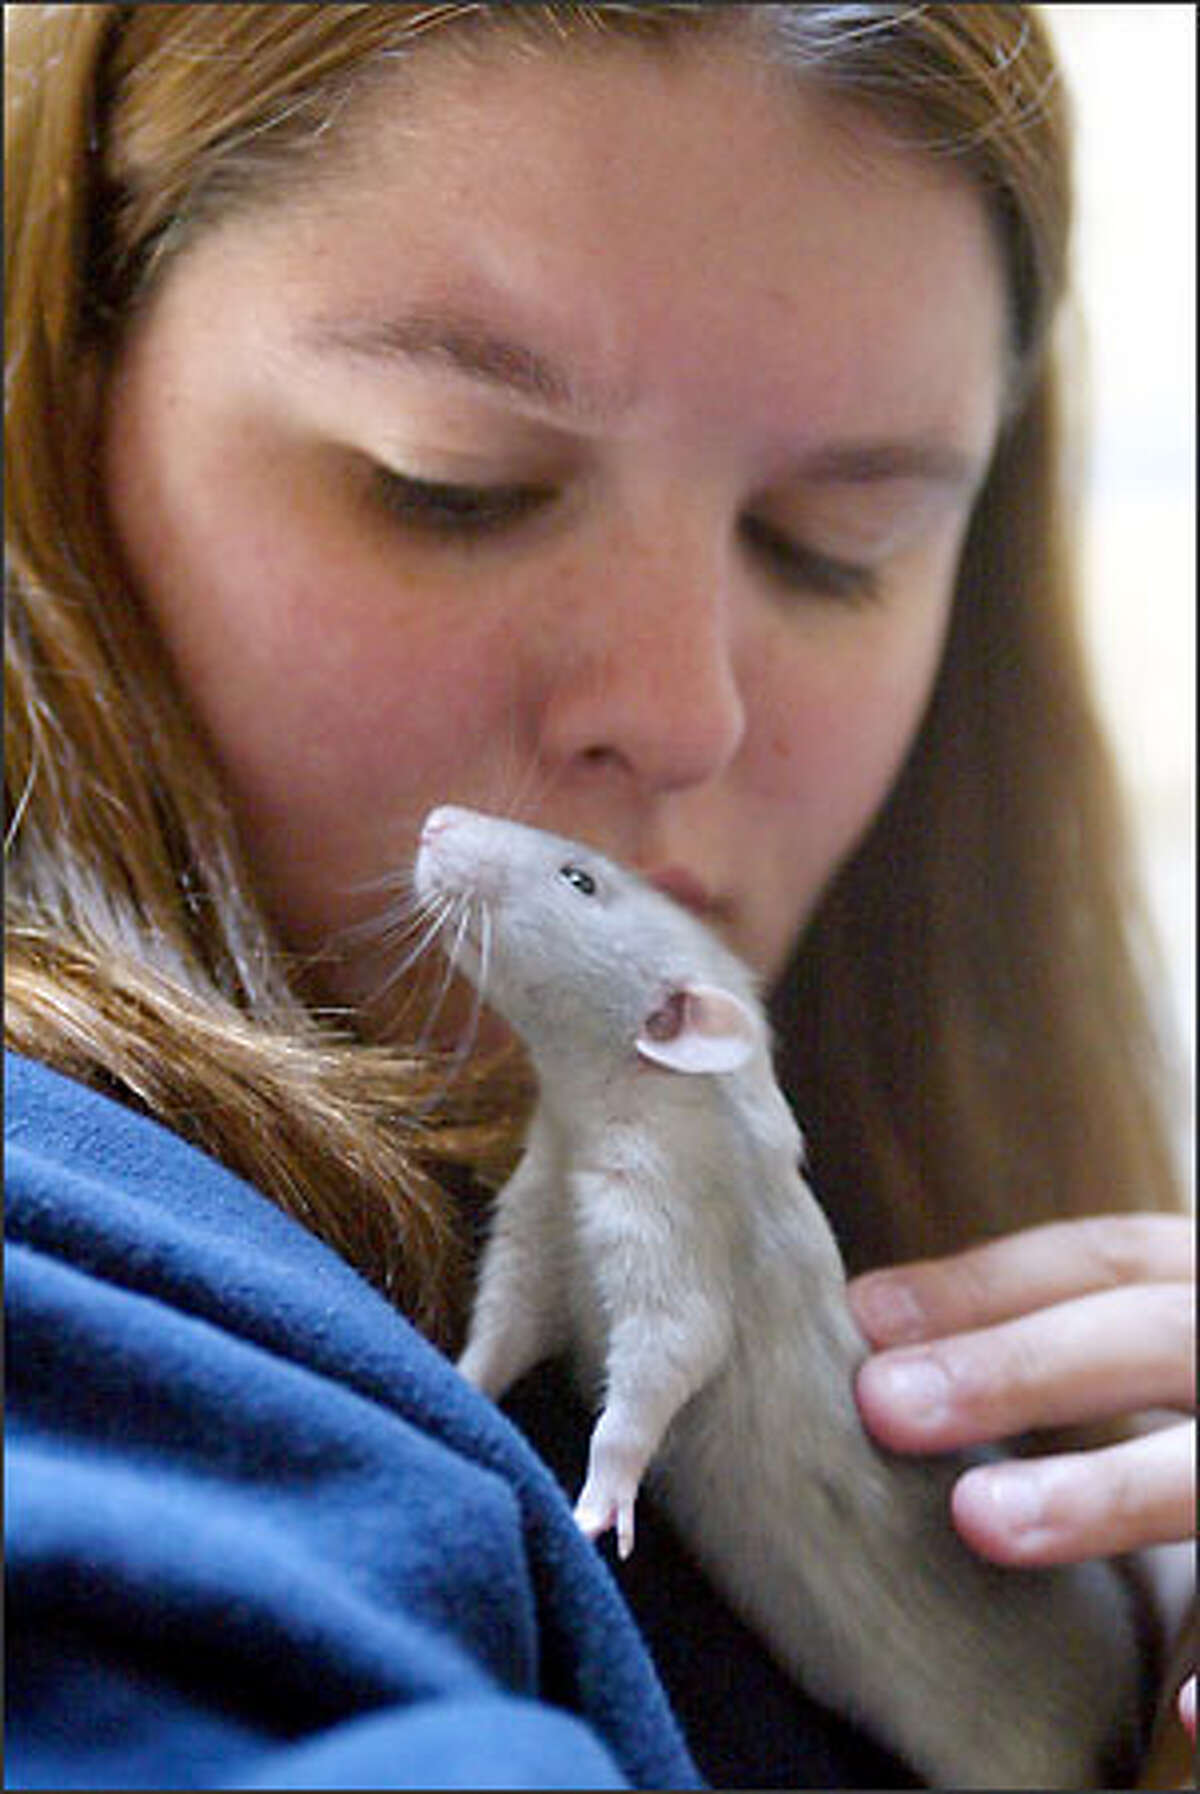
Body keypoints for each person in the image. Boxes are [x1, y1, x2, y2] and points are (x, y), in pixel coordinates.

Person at [5, 3, 1193, 1787]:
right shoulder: (67, 1296)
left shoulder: (912, 1256)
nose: (683, 710)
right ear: (62, 403)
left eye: (835, 549)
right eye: (453, 489)